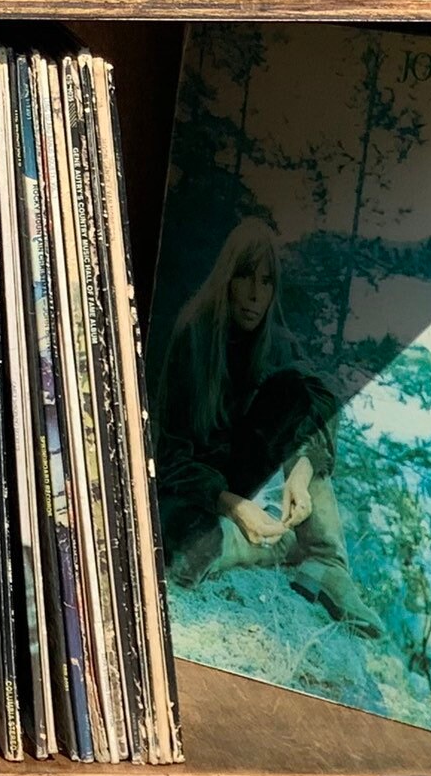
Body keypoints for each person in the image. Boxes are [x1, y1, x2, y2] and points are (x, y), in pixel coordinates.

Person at [147, 217, 368, 625]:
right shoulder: (192, 335)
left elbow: (322, 400)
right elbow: (172, 456)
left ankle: (327, 563)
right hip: (196, 488)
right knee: (186, 551)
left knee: (301, 395)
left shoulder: (276, 341)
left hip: (246, 474)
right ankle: (281, 545)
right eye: (245, 276)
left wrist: (301, 471)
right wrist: (236, 508)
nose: (254, 294)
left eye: (266, 282)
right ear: (226, 277)